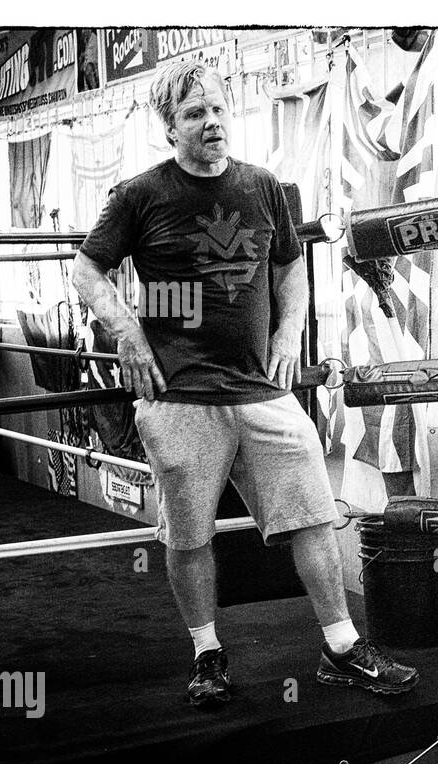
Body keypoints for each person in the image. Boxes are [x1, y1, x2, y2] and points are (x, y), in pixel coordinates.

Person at [72, 61, 418, 707]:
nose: (212, 123)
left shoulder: (261, 187)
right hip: (180, 396)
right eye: (195, 114)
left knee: (314, 516)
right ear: (169, 127)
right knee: (189, 533)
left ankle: (342, 647)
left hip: (262, 391)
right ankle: (207, 654)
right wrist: (128, 334)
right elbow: (88, 270)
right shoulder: (139, 194)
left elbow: (289, 267)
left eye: (218, 110)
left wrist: (289, 338)